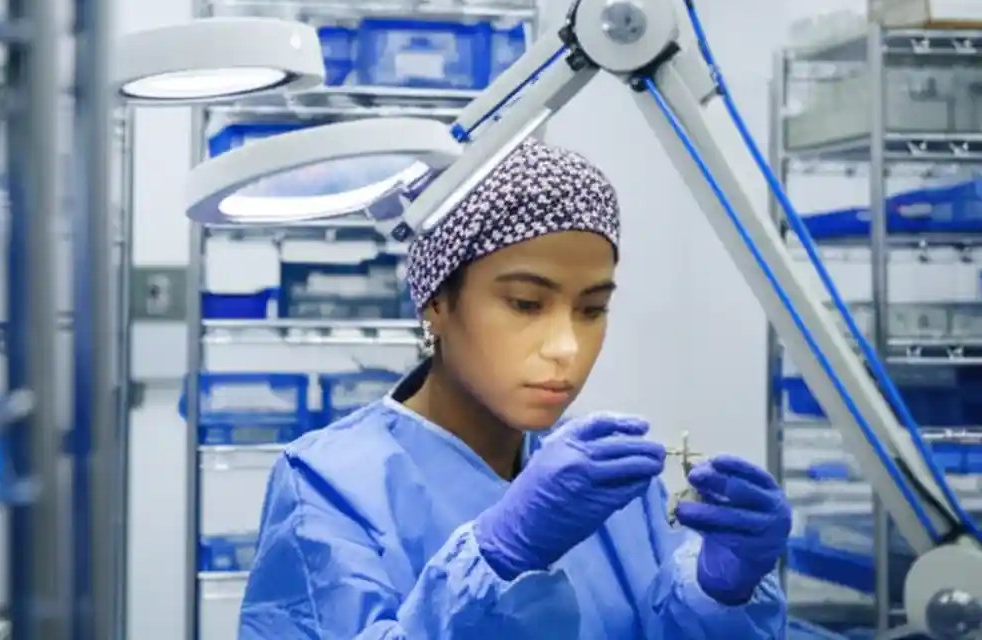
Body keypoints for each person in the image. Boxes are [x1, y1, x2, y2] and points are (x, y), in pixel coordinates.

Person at [237, 138, 792, 639]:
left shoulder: (604, 480)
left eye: (593, 308)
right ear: (437, 301)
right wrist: (496, 562)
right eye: (527, 304)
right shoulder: (328, 487)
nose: (567, 347)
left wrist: (721, 595)